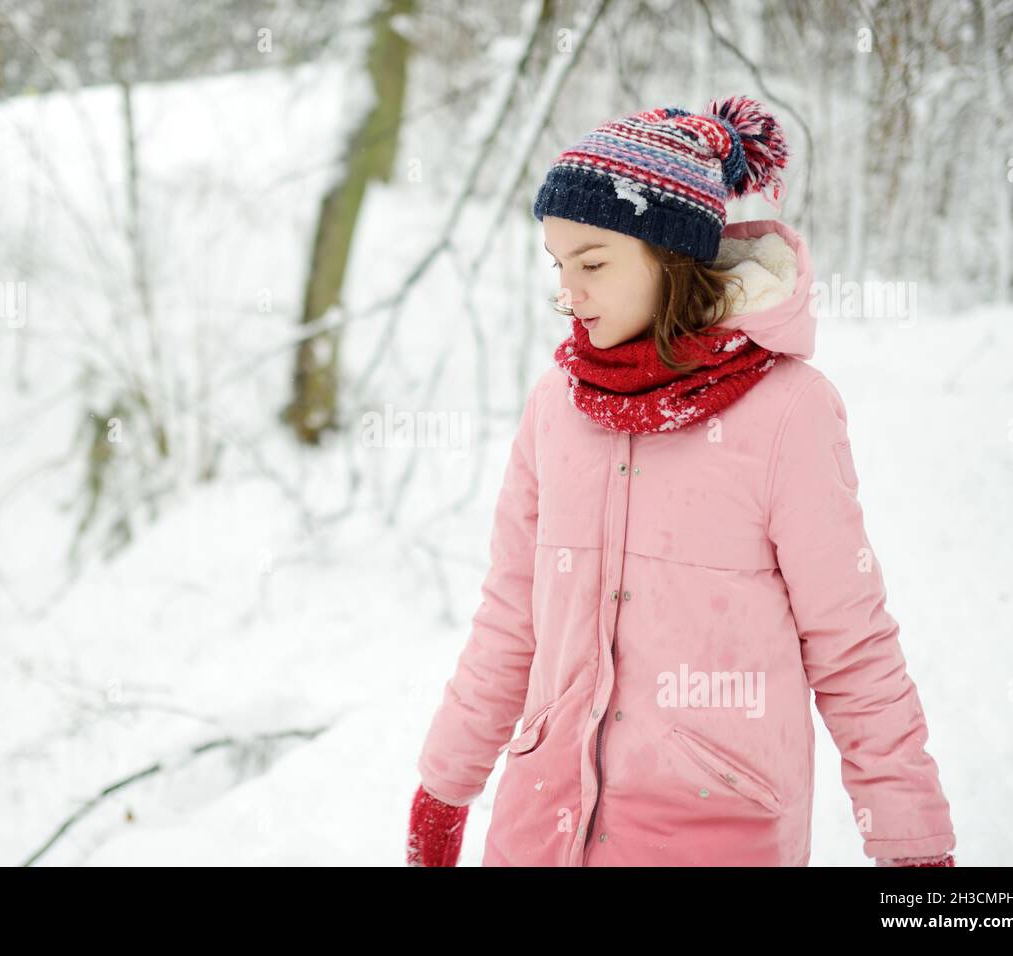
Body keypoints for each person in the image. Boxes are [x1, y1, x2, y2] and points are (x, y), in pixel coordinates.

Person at [407, 95, 956, 867]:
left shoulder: (788, 412)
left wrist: (914, 849)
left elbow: (852, 646)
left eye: (592, 263)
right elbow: (511, 617)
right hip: (540, 831)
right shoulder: (554, 408)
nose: (570, 293)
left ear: (668, 255)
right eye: (559, 266)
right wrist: (444, 786)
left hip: (714, 833)